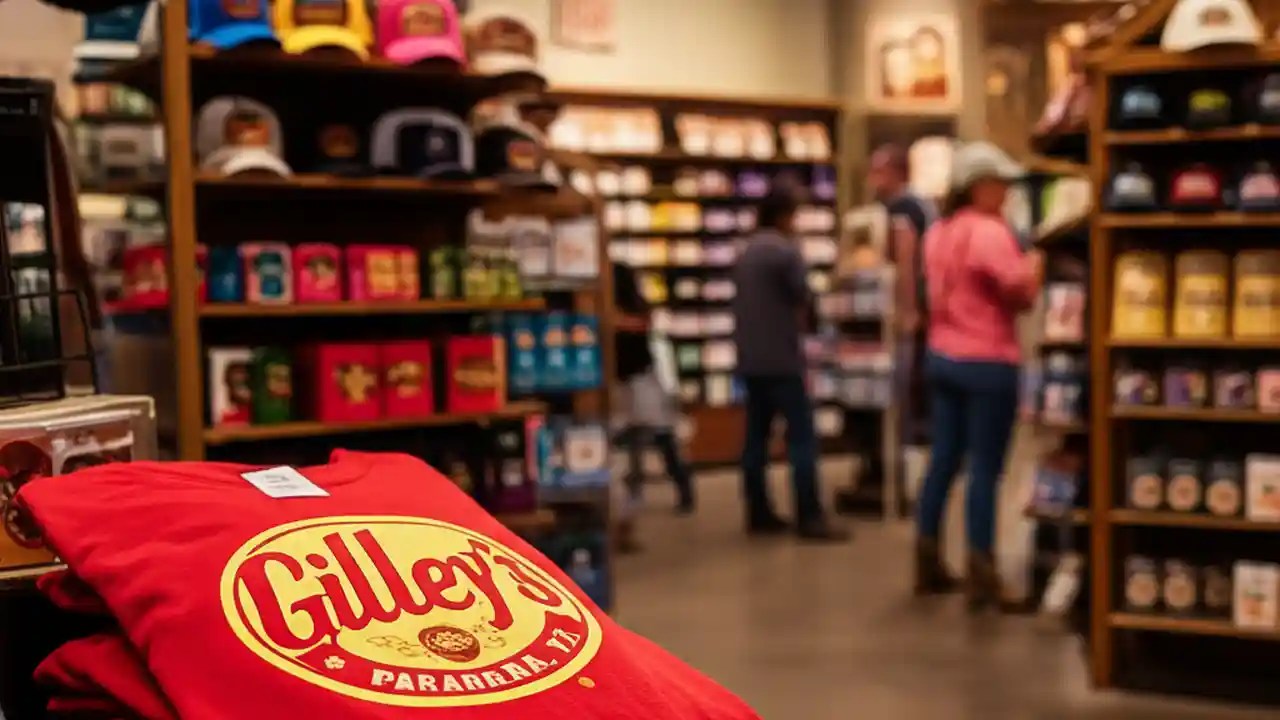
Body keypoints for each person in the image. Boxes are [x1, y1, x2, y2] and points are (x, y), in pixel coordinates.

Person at [914, 141, 1043, 611]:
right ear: (978, 186)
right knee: (985, 470)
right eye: (1000, 184)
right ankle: (982, 574)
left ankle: (926, 559)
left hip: (942, 356)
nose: (1006, 192)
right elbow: (1020, 291)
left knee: (943, 461)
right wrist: (1036, 265)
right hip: (987, 361)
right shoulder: (989, 232)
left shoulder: (938, 231)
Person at [732, 183, 848, 543]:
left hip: (750, 358)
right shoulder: (785, 252)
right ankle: (810, 515)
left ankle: (758, 511)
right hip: (782, 357)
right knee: (801, 439)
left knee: (755, 440)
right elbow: (803, 297)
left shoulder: (745, 250)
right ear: (785, 216)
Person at [612, 261, 694, 551]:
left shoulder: (626, 313)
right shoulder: (637, 309)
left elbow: (635, 330)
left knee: (651, 440)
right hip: (639, 382)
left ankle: (673, 491)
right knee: (652, 441)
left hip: (634, 383)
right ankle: (639, 501)